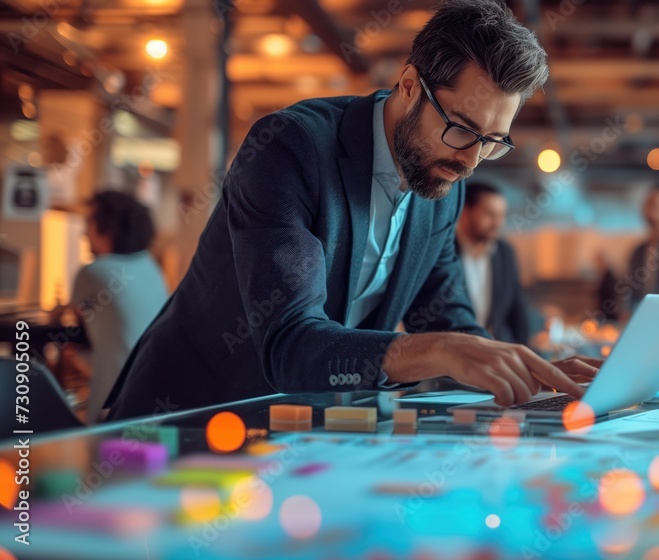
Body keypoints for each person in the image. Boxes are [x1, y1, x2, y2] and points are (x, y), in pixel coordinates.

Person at [106, 0, 599, 420]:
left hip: (301, 429)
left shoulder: (446, 178)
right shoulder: (290, 148)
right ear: (410, 85)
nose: (471, 161)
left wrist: (531, 369)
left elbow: (447, 322)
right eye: (463, 129)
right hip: (191, 417)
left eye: (493, 141)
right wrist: (440, 351)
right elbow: (292, 345)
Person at [69, 191, 168, 423]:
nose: (84, 233)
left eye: (89, 223)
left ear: (108, 228)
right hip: (153, 404)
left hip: (110, 413)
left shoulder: (93, 272)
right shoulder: (151, 266)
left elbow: (71, 317)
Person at [455, 182, 531, 345]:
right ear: (465, 211)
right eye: (489, 214)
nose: (497, 223)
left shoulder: (505, 252)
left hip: (496, 351)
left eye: (501, 215)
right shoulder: (444, 250)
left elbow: (516, 309)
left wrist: (528, 357)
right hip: (453, 355)